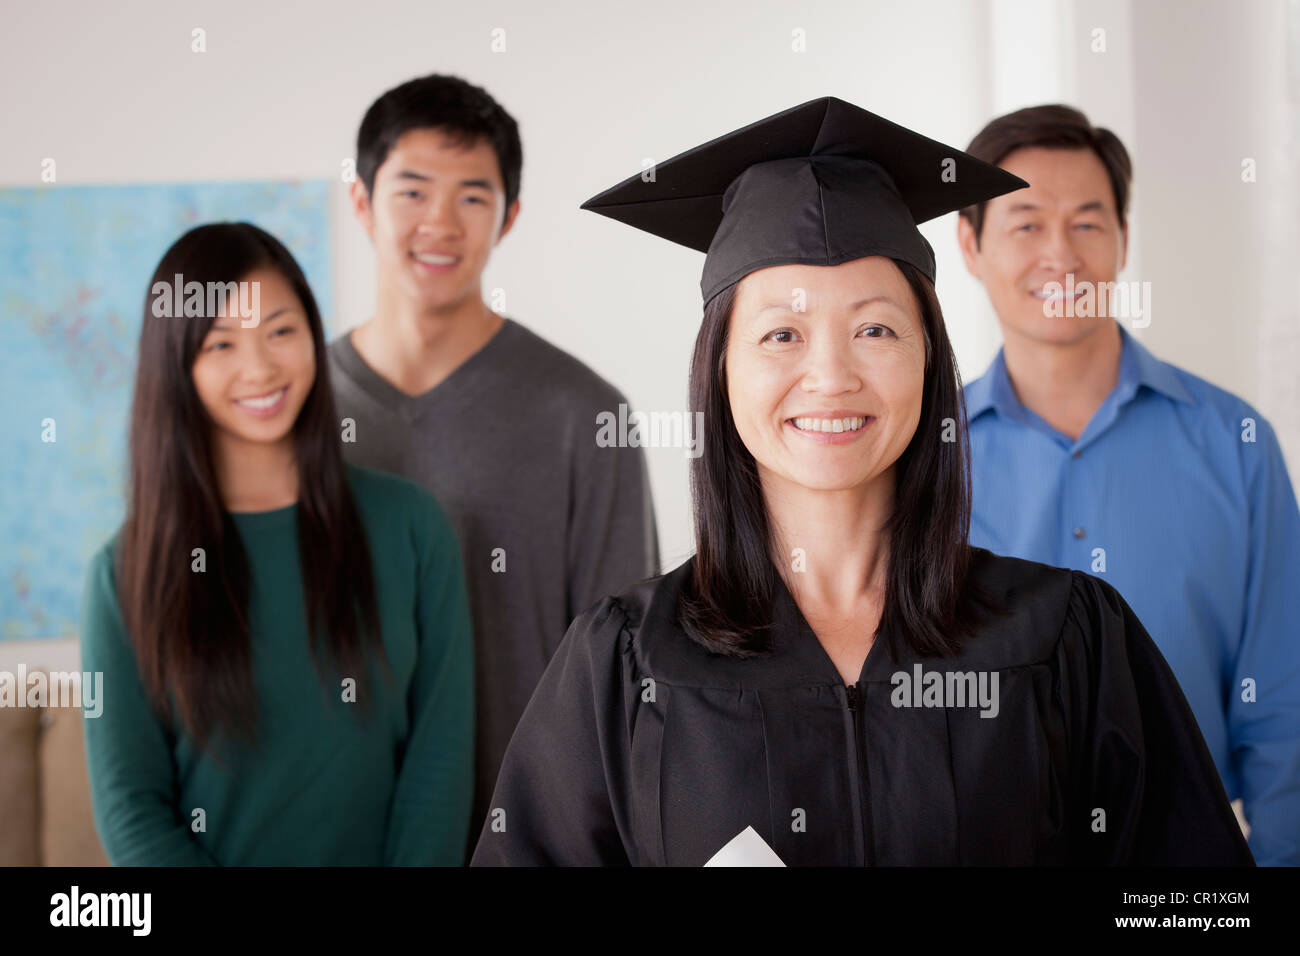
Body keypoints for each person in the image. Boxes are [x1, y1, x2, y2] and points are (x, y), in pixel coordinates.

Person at [470, 97, 1254, 866]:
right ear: (721, 372)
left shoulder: (1067, 636)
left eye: (875, 329)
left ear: (928, 362)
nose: (830, 375)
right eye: (782, 334)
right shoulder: (628, 660)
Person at [955, 105, 1300, 866]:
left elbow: (1285, 707)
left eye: (1087, 223)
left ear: (1122, 240)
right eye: (1025, 224)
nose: (1060, 256)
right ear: (971, 245)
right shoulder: (925, 463)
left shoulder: (1235, 446)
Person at [329, 74, 660, 843]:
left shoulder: (586, 414)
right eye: (411, 191)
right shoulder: (298, 413)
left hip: (531, 832)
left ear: (508, 217)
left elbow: (621, 667)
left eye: (472, 196)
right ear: (361, 202)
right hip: (336, 831)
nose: (439, 222)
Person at [81, 223, 474, 865]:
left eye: (281, 331)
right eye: (222, 344)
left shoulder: (410, 527)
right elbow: (131, 809)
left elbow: (439, 766)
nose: (260, 367)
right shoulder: (123, 573)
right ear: (177, 366)